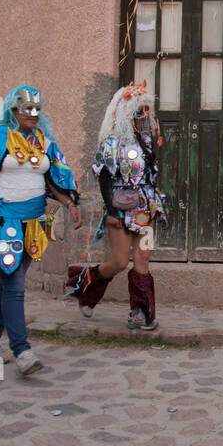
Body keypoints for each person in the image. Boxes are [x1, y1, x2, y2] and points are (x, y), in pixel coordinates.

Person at [0, 85, 82, 375]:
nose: (33, 114)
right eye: (27, 109)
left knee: (9, 281)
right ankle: (22, 349)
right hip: (4, 221)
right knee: (14, 285)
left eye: (37, 109)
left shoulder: (44, 142)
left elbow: (54, 176)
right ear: (13, 110)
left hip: (35, 222)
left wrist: (69, 203)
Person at [65, 80, 167, 330]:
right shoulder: (111, 144)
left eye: (146, 110)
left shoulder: (147, 142)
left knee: (142, 258)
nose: (144, 115)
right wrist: (111, 212)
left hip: (145, 210)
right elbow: (105, 179)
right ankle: (85, 289)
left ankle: (140, 313)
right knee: (120, 262)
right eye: (139, 111)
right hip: (119, 208)